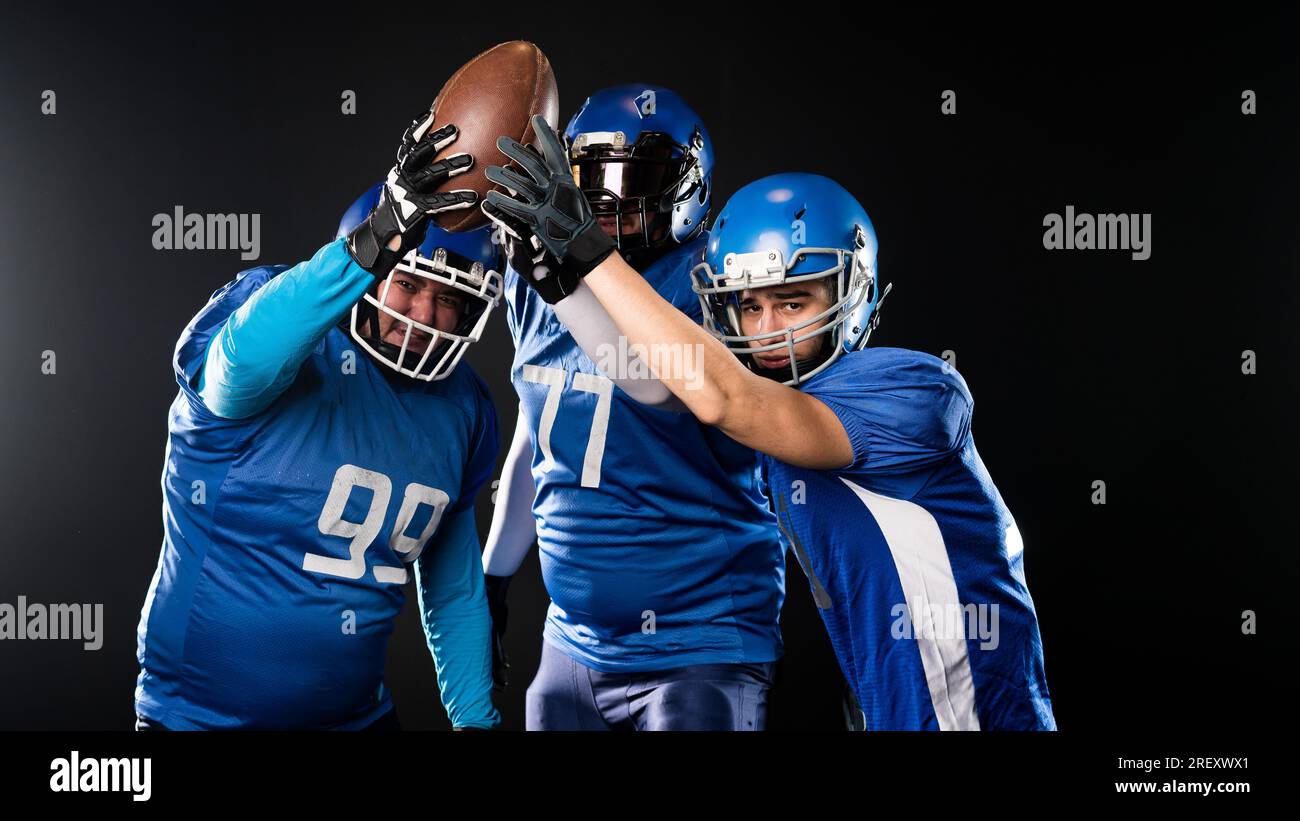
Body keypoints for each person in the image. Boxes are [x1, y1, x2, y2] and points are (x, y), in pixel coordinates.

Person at [486, 143, 1055, 729]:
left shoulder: (914, 391)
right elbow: (651, 382)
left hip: (974, 708)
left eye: (791, 301)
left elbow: (722, 397)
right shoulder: (777, 412)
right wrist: (562, 286)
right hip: (891, 698)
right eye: (748, 307)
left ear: (852, 291)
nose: (767, 332)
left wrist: (588, 251)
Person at [134, 111, 504, 730]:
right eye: (408, 285)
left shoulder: (464, 407)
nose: (426, 314)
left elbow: (452, 582)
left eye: (452, 298)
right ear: (369, 272)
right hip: (200, 718)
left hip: (357, 718)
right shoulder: (285, 333)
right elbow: (240, 363)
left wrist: (475, 720)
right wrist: (379, 233)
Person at [479, 85, 786, 731]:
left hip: (699, 641)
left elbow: (658, 384)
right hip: (572, 642)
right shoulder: (535, 277)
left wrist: (565, 272)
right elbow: (541, 432)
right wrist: (495, 573)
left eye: (637, 180)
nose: (610, 203)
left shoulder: (718, 275)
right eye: (593, 182)